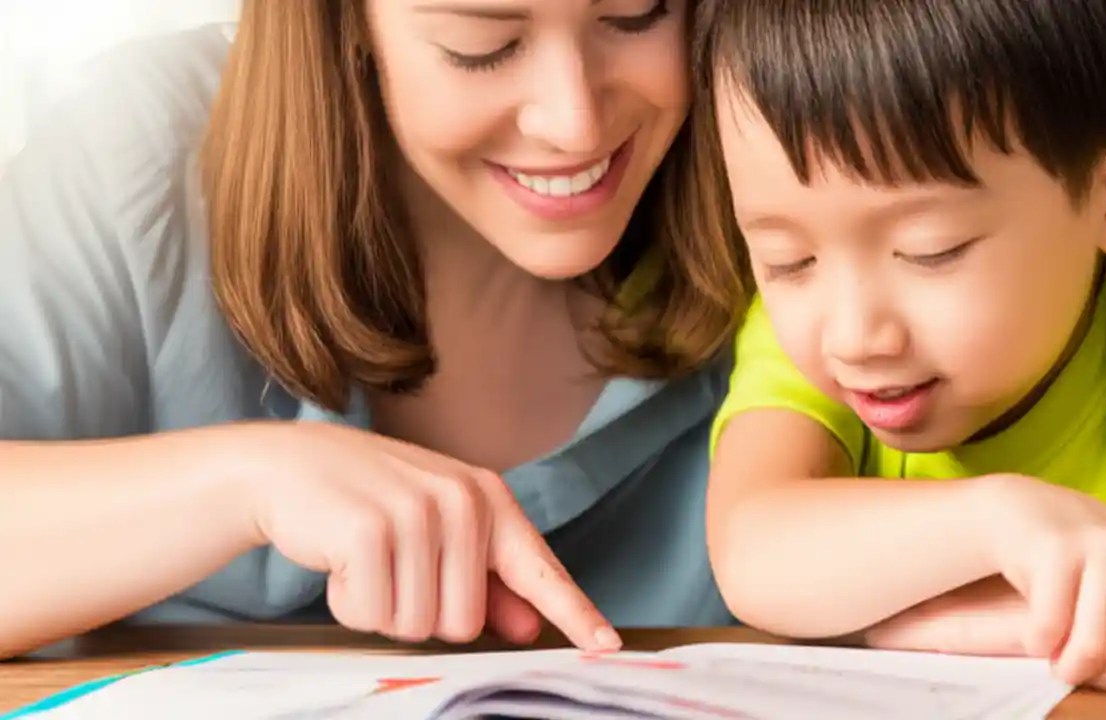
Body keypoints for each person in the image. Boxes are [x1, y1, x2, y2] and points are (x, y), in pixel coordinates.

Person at [0, 0, 741, 659]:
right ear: (343, 20)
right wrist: (248, 484)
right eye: (479, 42)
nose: (573, 119)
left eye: (638, 16)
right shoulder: (140, 157)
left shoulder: (793, 201)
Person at [688, 0, 1106, 693]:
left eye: (929, 251)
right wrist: (1000, 521)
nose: (854, 337)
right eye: (788, 260)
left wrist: (1022, 608)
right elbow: (755, 547)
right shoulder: (803, 341)